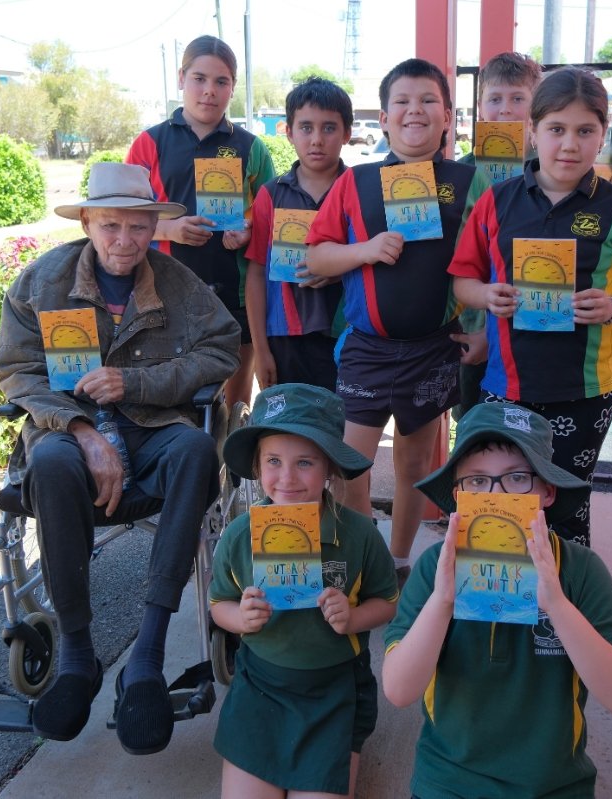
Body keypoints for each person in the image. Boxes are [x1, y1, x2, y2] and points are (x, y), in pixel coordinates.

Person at [0, 162, 241, 751]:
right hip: (68, 432)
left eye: (137, 227)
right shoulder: (42, 283)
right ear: (87, 221)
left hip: (154, 428)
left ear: (153, 227)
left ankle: (146, 659)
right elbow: (18, 371)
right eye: (110, 226)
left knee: (196, 448)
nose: (124, 241)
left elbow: (221, 351)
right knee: (50, 464)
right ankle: (78, 659)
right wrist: (81, 428)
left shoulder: (179, 284)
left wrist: (135, 383)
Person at [450, 67, 612, 546]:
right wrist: (486, 295)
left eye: (585, 130)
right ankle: (502, 615)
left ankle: (561, 613)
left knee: (565, 511)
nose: (569, 144)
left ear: (602, 134)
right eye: (556, 129)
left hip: (585, 393)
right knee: (500, 511)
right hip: (505, 389)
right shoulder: (496, 202)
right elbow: (463, 279)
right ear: (532, 131)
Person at [382, 401, 612, 798]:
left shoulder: (581, 570)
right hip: (447, 782)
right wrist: (442, 601)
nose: (497, 495)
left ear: (547, 491)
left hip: (552, 786)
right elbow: (399, 691)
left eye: (517, 478)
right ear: (458, 495)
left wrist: (556, 603)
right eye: (477, 482)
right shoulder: (435, 567)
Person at [305, 58, 482, 586]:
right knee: (350, 468)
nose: (415, 111)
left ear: (448, 115)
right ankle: (366, 564)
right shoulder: (355, 182)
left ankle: (399, 562)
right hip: (366, 347)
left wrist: (485, 333)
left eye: (428, 100)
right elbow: (316, 258)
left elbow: (489, 264)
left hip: (434, 347)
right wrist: (365, 250)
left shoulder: (468, 183)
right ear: (383, 118)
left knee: (413, 467)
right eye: (402, 101)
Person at [209, 383, 398, 799]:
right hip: (260, 686)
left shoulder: (359, 534)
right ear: (257, 467)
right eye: (274, 461)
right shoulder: (240, 535)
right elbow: (217, 601)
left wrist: (353, 617)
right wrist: (239, 618)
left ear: (329, 467)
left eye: (305, 462)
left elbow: (386, 601)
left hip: (333, 689)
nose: (288, 478)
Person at [126, 34, 275, 412]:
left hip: (235, 294)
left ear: (233, 87)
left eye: (221, 81)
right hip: (162, 293)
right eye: (199, 78)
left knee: (235, 403)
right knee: (175, 400)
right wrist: (168, 230)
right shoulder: (149, 143)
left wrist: (247, 231)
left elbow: (271, 215)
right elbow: (123, 216)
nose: (209, 91)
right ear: (181, 78)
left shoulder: (251, 147)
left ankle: (233, 471)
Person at [244, 77, 351, 391]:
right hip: (284, 338)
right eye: (306, 127)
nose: (316, 139)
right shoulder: (271, 194)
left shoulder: (359, 191)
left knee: (340, 432)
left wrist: (335, 271)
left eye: (329, 128)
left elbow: (374, 259)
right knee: (289, 432)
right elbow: (256, 273)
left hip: (347, 334)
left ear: (346, 133)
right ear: (288, 132)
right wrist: (261, 351)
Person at [454, 51, 545, 420]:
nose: (505, 110)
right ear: (480, 108)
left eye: (518, 99)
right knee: (473, 425)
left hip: (532, 329)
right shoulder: (460, 172)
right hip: (469, 322)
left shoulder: (551, 172)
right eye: (495, 99)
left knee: (529, 430)